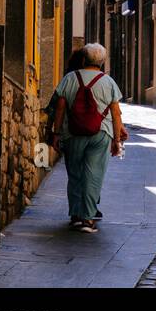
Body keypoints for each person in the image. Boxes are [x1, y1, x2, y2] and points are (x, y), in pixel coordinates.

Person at [51, 43, 128, 234]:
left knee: (75, 173)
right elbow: (116, 113)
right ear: (102, 63)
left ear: (83, 59)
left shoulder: (69, 78)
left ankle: (76, 215)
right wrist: (117, 139)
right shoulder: (108, 82)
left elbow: (60, 107)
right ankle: (88, 218)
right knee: (93, 175)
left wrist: (56, 133)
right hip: (100, 133)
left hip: (72, 133)